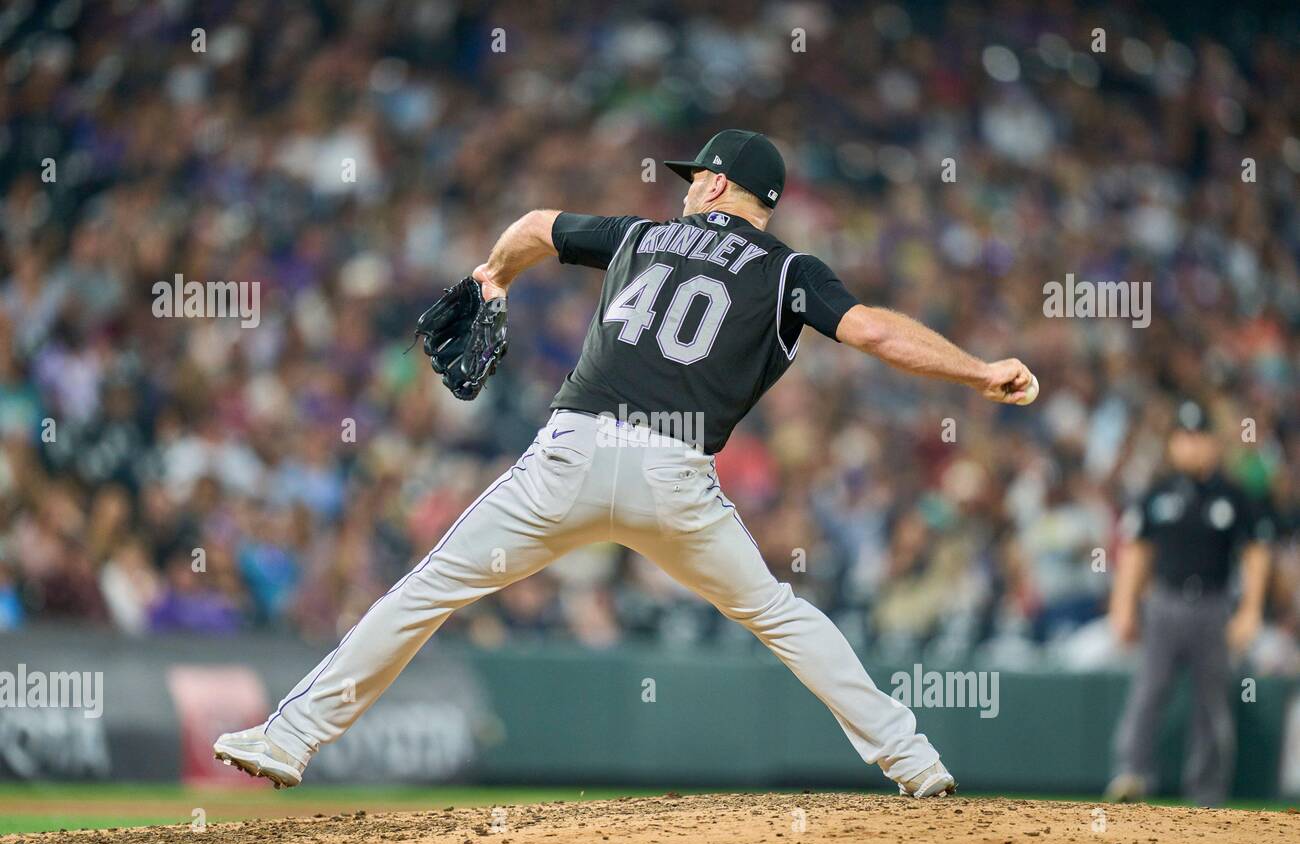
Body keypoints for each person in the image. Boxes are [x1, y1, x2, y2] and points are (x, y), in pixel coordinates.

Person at [214, 130, 1036, 796]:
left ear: (717, 186)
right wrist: (978, 370)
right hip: (676, 480)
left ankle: (291, 739)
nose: (685, 187)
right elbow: (875, 334)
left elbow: (537, 224)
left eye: (695, 177)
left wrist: (493, 277)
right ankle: (913, 761)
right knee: (781, 616)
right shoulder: (791, 270)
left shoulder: (641, 236)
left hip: (569, 458)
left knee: (428, 589)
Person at [1106, 399, 1274, 806]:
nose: (1191, 446)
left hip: (1213, 606)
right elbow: (1137, 552)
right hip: (1164, 604)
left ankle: (1207, 794)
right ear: (1172, 444)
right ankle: (1132, 775)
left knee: (1211, 705)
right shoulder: (1157, 494)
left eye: (1198, 438)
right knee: (1147, 693)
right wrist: (1123, 606)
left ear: (1213, 444)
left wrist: (1251, 610)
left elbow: (1256, 553)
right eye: (1183, 438)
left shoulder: (1233, 496)